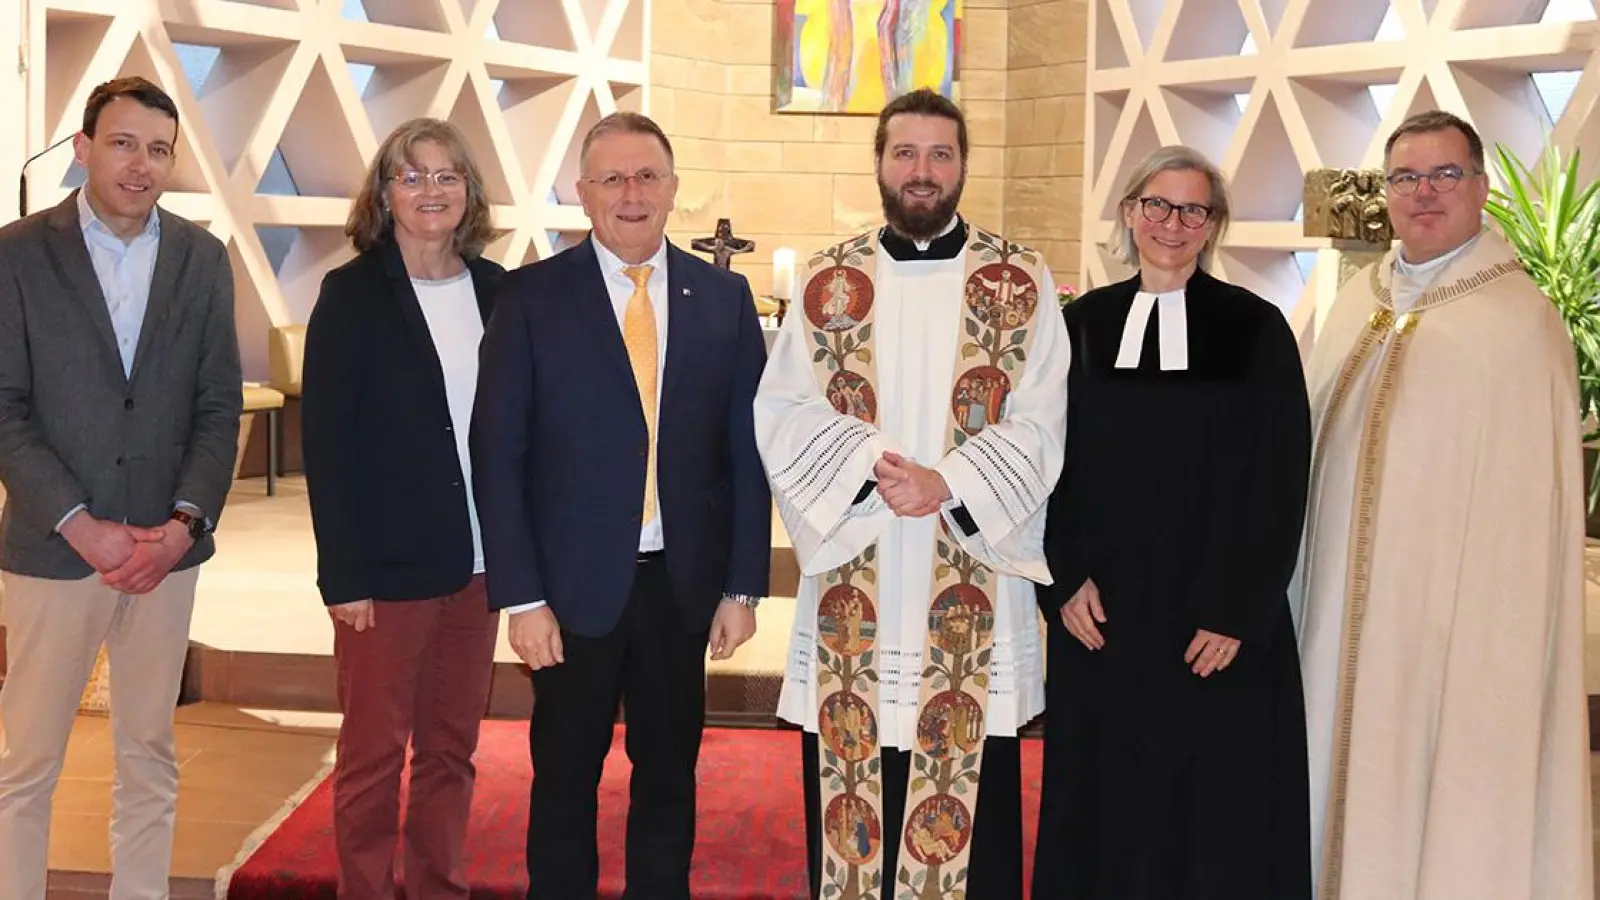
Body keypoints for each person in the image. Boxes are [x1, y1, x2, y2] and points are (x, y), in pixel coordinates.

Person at [753, 87, 1070, 900]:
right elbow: (782, 409)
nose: (922, 172)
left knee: (971, 782)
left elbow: (1043, 419)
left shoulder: (1020, 279)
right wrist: (872, 465)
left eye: (940, 154)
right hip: (859, 557)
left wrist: (949, 484)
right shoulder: (830, 280)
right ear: (881, 165)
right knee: (854, 783)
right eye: (905, 154)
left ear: (963, 165)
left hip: (969, 554)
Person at [471, 111, 771, 900]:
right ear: (582, 193)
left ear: (673, 190)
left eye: (647, 177)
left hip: (682, 585)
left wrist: (741, 587)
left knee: (670, 776)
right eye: (611, 178)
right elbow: (498, 456)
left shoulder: (724, 298)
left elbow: (746, 453)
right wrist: (522, 596)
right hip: (569, 594)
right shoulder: (530, 297)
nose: (630, 194)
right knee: (564, 778)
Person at [1294, 109, 1593, 900]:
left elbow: (1526, 518)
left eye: (1445, 174)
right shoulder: (1359, 301)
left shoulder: (1519, 326)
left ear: (1482, 188)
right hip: (1338, 626)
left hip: (1459, 633)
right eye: (1405, 177)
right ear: (1385, 192)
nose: (1424, 193)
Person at [1030, 145, 1312, 900]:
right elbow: (1045, 464)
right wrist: (1060, 579)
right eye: (1157, 204)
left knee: (1212, 807)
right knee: (1106, 795)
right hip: (1106, 613)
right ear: (1128, 213)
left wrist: (1238, 608)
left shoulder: (1256, 330)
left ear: (1213, 224)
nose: (1172, 223)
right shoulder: (1080, 326)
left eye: (1193, 209)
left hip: (1210, 619)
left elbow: (1280, 478)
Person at [0, 77, 242, 898]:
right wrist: (79, 523)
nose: (141, 164)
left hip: (165, 555)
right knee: (27, 765)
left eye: (159, 149)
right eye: (123, 143)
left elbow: (218, 406)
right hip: (53, 548)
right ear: (83, 149)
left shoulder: (204, 259)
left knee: (149, 756)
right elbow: (4, 408)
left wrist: (182, 524)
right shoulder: (16, 253)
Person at [300, 117, 505, 900]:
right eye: (411, 175)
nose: (430, 190)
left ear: (468, 192)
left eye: (446, 175)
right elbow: (328, 445)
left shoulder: (500, 289)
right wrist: (341, 575)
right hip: (384, 570)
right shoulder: (351, 294)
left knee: (452, 749)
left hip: (481, 564)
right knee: (374, 753)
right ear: (385, 194)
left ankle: (436, 887)